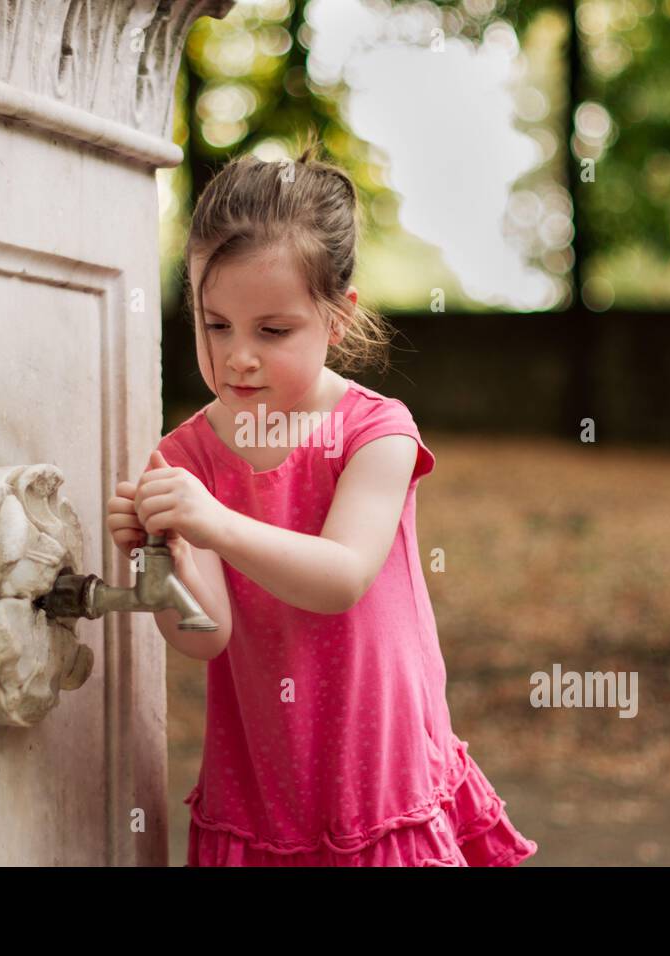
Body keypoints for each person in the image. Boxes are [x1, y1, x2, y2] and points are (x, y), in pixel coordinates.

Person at [106, 137, 538, 867]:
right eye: (216, 326)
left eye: (273, 331)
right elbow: (203, 636)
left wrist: (212, 521)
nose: (238, 355)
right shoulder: (186, 458)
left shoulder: (376, 431)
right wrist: (166, 561)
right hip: (263, 789)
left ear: (338, 318)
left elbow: (340, 576)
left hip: (378, 776)